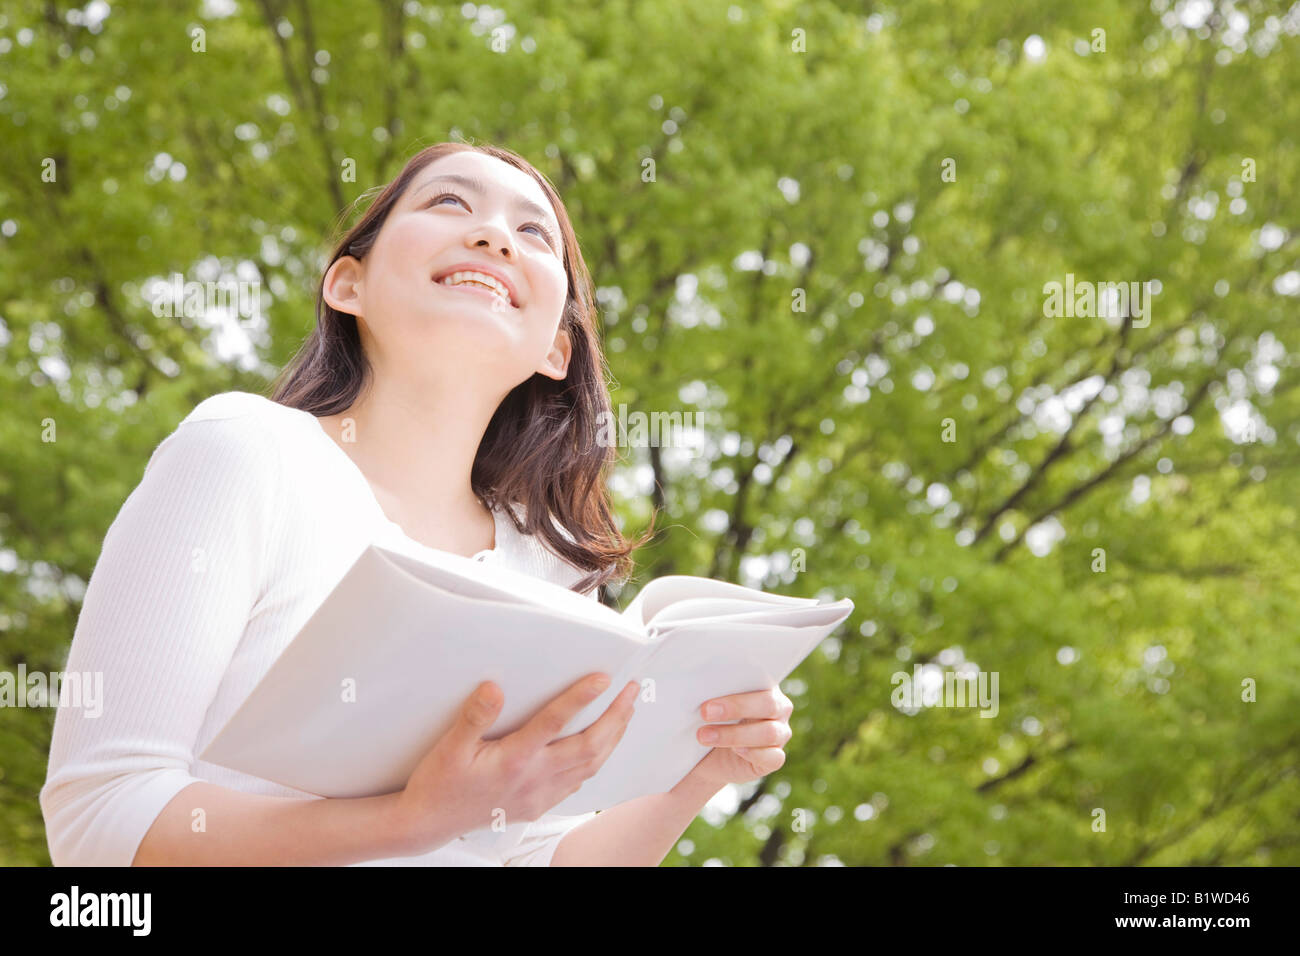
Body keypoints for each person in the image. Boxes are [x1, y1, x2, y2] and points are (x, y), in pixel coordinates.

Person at [40, 142, 794, 867]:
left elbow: (538, 860)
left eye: (533, 232)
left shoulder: (554, 573)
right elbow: (100, 815)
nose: (495, 235)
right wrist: (411, 822)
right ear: (348, 286)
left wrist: (701, 769)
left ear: (553, 352)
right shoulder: (246, 452)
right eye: (449, 202)